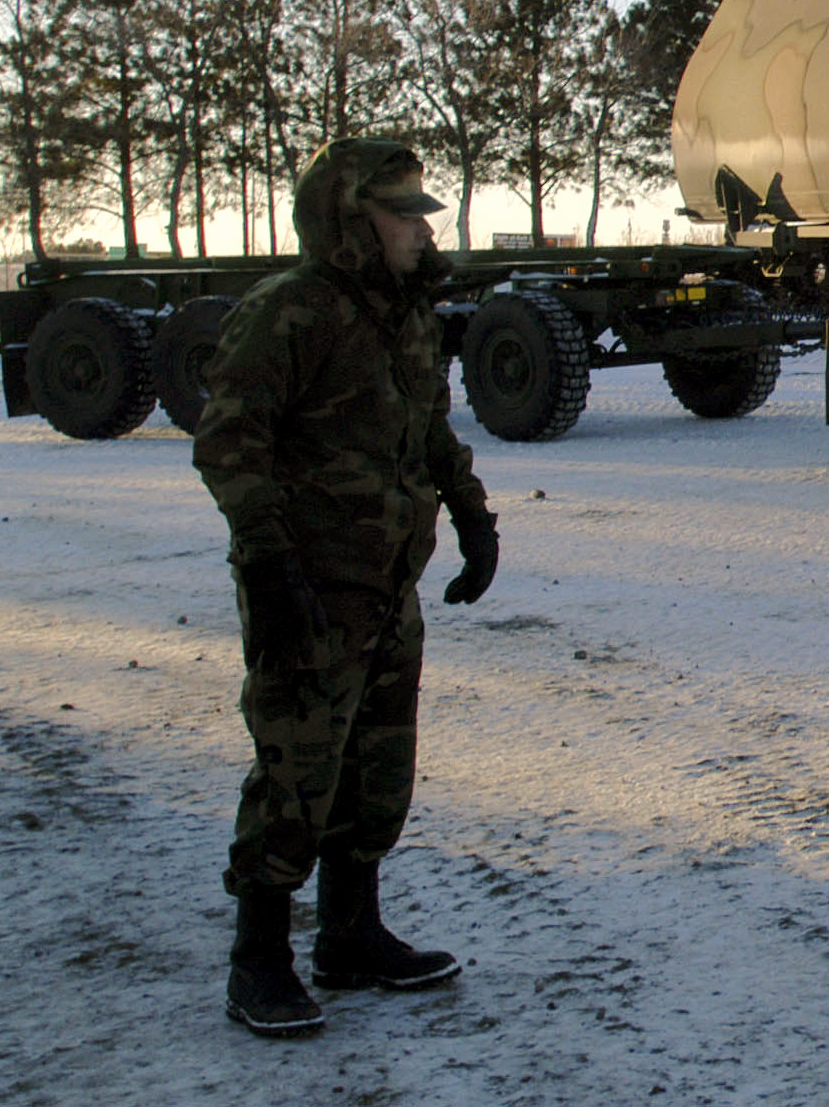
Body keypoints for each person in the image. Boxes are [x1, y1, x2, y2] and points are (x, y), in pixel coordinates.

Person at [192, 136, 500, 1038]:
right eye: (400, 212)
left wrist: (472, 514)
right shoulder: (291, 312)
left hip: (385, 586)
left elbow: (429, 426)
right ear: (348, 218)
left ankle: (351, 933)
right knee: (297, 772)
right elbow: (228, 441)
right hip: (310, 586)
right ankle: (260, 960)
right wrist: (266, 559)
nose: (418, 228)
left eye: (420, 212)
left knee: (376, 774)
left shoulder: (404, 314)